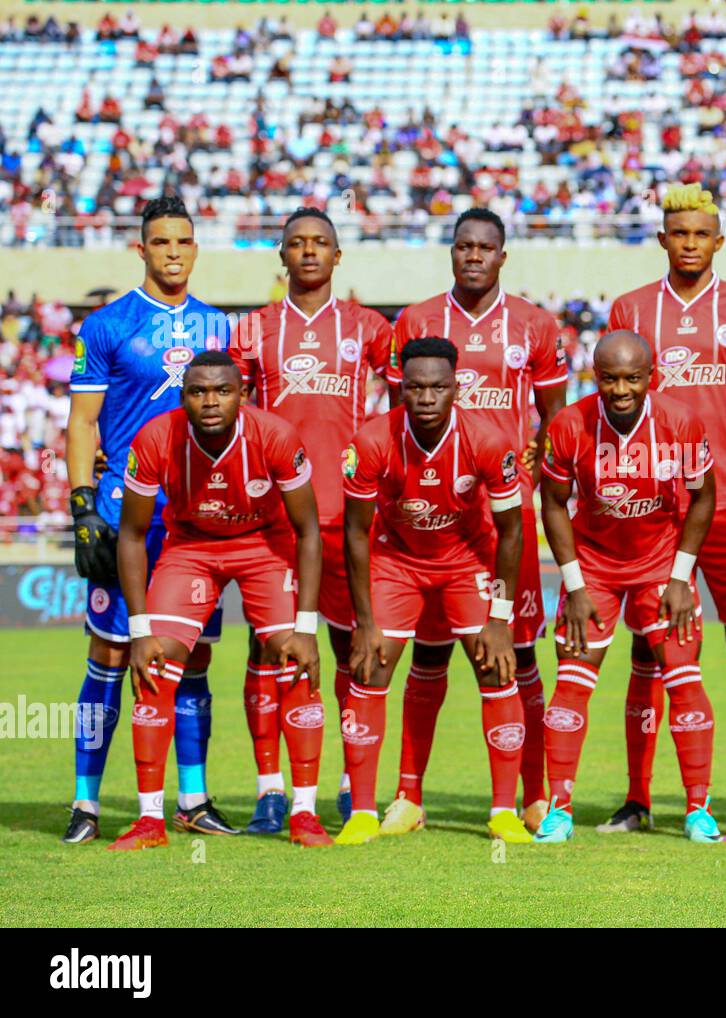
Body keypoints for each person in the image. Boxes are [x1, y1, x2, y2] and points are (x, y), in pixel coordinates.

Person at [602, 182, 726, 834]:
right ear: (662, 238)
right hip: (651, 511)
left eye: (699, 234)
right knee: (650, 652)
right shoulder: (629, 308)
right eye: (677, 233)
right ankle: (638, 799)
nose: (688, 243)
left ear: (718, 239)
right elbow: (609, 403)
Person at [385, 208, 567, 834]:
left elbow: (555, 422)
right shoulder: (415, 321)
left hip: (502, 525)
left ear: (502, 256)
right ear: (451, 252)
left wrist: (526, 482)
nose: (472, 256)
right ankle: (409, 797)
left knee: (516, 659)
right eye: (462, 246)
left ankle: (533, 796)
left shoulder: (536, 326)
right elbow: (394, 419)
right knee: (427, 660)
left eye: (485, 248)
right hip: (429, 529)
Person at [63, 196, 231, 845]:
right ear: (142, 248)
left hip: (194, 521)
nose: (173, 252)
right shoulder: (106, 326)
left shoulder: (221, 328)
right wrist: (82, 507)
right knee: (108, 653)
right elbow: (82, 423)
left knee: (192, 658)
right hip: (122, 514)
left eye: (183, 241)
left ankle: (191, 797)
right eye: (161, 242)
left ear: (195, 247)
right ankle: (87, 804)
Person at [112, 351, 326, 850]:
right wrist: (140, 631)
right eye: (198, 391)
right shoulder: (155, 438)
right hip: (190, 547)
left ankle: (304, 813)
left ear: (242, 395)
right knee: (154, 664)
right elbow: (131, 533)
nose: (210, 401)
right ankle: (150, 821)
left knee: (294, 659)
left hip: (265, 545)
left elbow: (308, 530)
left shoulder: (274, 436)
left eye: (222, 391)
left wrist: (308, 627)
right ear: (182, 396)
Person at [230, 208, 393, 834]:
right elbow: (222, 408)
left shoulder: (369, 327)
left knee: (355, 650)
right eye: (296, 243)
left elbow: (410, 397)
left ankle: (356, 785)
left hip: (349, 517)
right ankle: (272, 790)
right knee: (268, 649)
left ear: (337, 255)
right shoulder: (252, 329)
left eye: (320, 243)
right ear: (281, 254)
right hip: (274, 521)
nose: (307, 253)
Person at [337, 339, 531, 846]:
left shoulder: (487, 440)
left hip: (466, 560)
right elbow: (355, 532)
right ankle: (362, 812)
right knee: (371, 666)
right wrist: (364, 622)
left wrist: (500, 618)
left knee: (495, 666)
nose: (426, 397)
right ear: (398, 385)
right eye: (415, 387)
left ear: (456, 387)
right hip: (396, 561)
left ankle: (503, 811)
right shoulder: (372, 441)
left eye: (438, 387)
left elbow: (511, 531)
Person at [533, 331, 721, 844]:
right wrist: (573, 586)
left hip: (661, 565)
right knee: (571, 683)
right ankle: (560, 810)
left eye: (632, 378)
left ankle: (698, 809)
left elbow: (703, 498)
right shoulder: (570, 425)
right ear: (593, 375)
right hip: (592, 567)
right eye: (610, 378)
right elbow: (553, 502)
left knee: (683, 678)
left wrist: (682, 577)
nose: (620, 389)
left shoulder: (680, 423)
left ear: (650, 376)